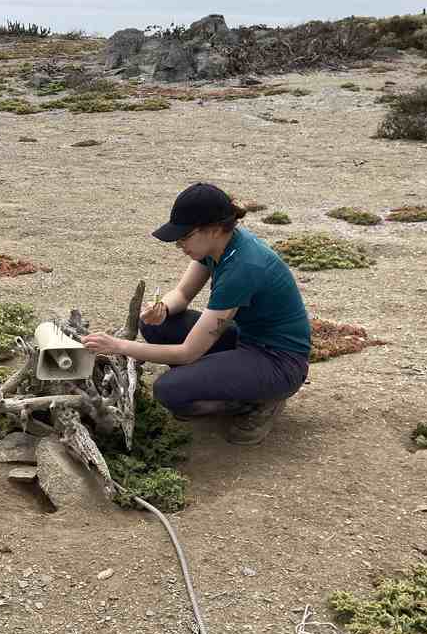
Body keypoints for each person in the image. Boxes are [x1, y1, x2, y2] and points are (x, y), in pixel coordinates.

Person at [81, 182, 311, 445]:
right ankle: (229, 380)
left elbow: (188, 352)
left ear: (212, 230)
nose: (179, 244)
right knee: (157, 326)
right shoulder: (219, 245)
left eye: (184, 237)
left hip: (280, 362)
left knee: (169, 391)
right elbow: (181, 295)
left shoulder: (242, 267)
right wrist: (162, 308)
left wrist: (119, 346)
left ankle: (258, 401)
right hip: (248, 341)